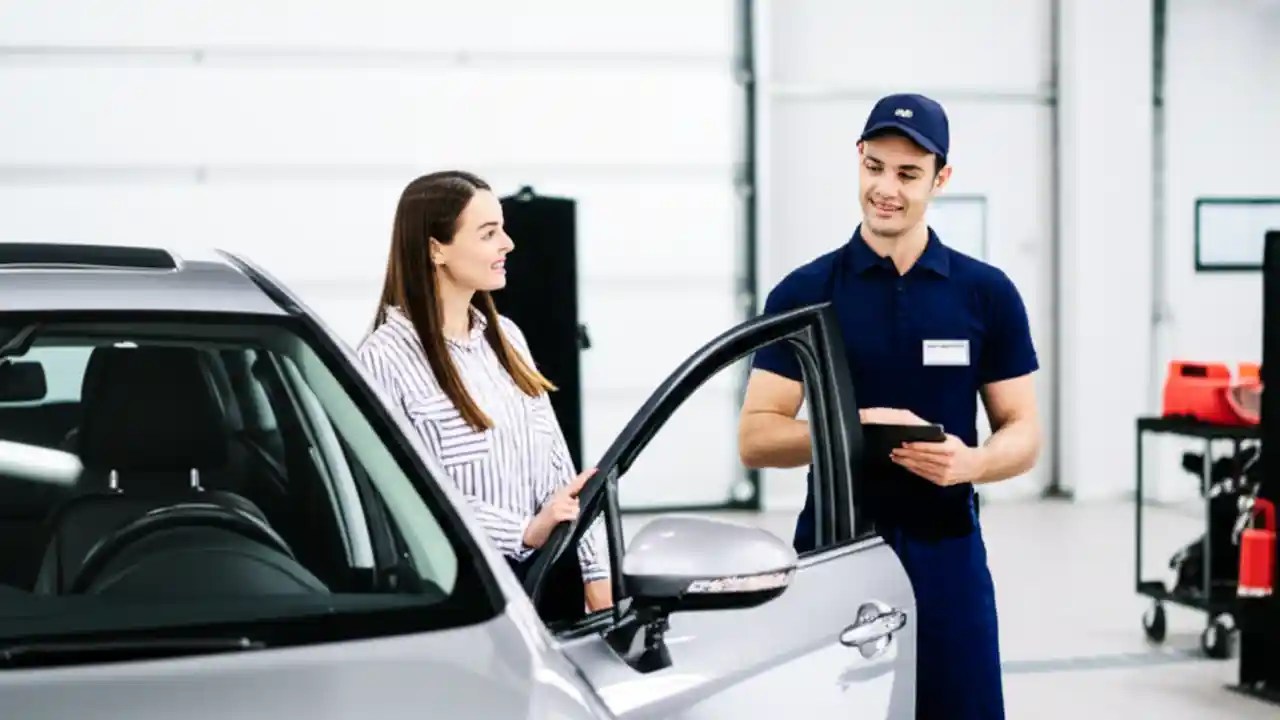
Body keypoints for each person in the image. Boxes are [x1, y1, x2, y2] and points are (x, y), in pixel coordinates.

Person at [738, 94, 1041, 719]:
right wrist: (855, 427)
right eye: (875, 167)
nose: (886, 189)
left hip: (947, 548)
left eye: (907, 175)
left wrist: (972, 465)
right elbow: (757, 437)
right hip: (834, 548)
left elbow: (1024, 431)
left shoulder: (985, 294)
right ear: (858, 160)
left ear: (941, 178)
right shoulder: (803, 293)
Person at [355, 170, 612, 616]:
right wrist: (524, 532)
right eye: (489, 233)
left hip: (543, 587)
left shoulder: (506, 338)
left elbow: (558, 469)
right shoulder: (384, 359)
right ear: (436, 248)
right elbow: (409, 499)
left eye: (503, 229)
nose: (508, 244)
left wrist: (596, 577)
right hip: (463, 605)